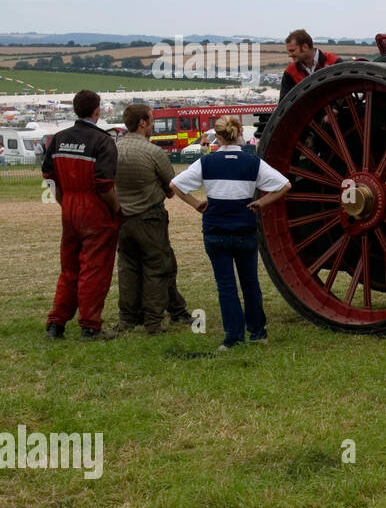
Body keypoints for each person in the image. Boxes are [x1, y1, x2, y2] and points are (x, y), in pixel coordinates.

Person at [170, 115, 291, 351]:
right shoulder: (252, 162)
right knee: (250, 283)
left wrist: (196, 204)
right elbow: (284, 185)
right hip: (245, 228)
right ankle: (257, 331)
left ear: (218, 137)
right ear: (238, 135)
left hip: (216, 229)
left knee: (226, 286)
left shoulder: (207, 163)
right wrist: (262, 203)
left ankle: (233, 337)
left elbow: (175, 185)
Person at [43, 90, 123, 340]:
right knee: (94, 269)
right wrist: (117, 208)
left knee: (69, 268)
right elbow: (104, 183)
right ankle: (90, 325)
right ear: (97, 110)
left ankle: (56, 323)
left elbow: (49, 178)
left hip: (68, 207)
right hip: (95, 210)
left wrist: (64, 203)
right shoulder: (103, 141)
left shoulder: (58, 139)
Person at [113, 103, 192, 334]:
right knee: (157, 267)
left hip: (122, 219)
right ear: (142, 123)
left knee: (127, 268)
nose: (154, 125)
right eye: (152, 120)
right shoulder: (154, 153)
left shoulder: (113, 149)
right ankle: (154, 321)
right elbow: (171, 187)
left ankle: (127, 318)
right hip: (149, 217)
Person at [280, 30, 340, 100]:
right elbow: (284, 103)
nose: (289, 55)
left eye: (292, 51)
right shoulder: (290, 72)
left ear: (305, 47)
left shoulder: (334, 63)